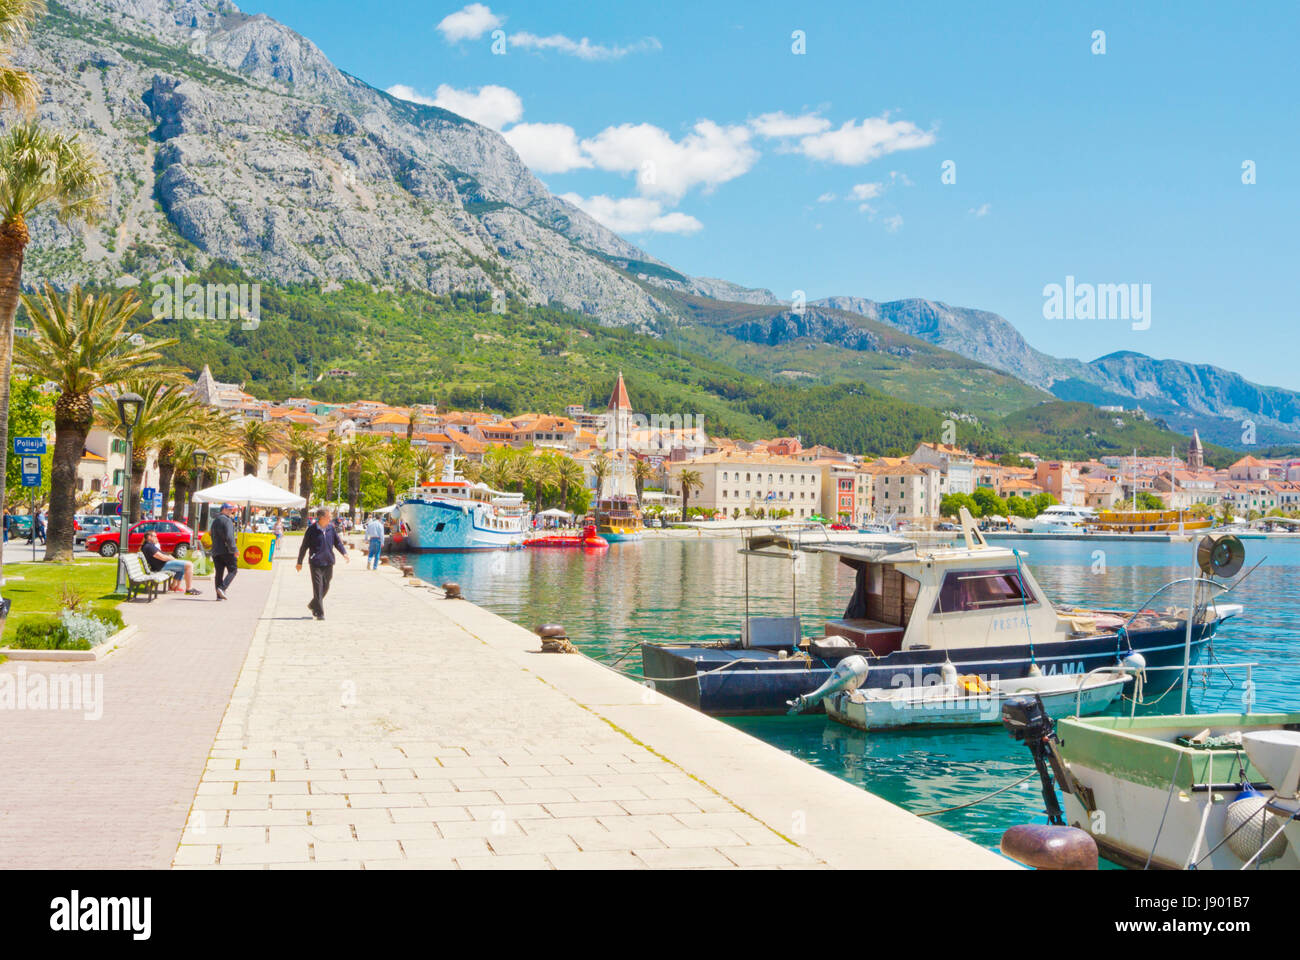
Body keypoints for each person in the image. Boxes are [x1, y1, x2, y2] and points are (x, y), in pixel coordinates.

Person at [297, 507, 349, 619]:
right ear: (321, 517)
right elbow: (304, 547)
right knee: (318, 587)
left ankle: (312, 604)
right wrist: (299, 562)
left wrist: (344, 553)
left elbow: (337, 542)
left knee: (326, 586)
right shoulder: (311, 530)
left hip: (329, 561)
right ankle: (319, 612)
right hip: (315, 562)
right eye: (329, 516)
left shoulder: (331, 528)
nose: (331, 518)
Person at [210, 502, 239, 600]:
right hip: (226, 551)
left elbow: (211, 535)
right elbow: (230, 537)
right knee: (233, 570)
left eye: (232, 510)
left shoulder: (215, 521)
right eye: (229, 509)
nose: (231, 511)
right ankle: (222, 588)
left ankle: (219, 596)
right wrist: (234, 549)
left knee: (219, 573)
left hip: (215, 551)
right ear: (223, 509)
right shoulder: (227, 521)